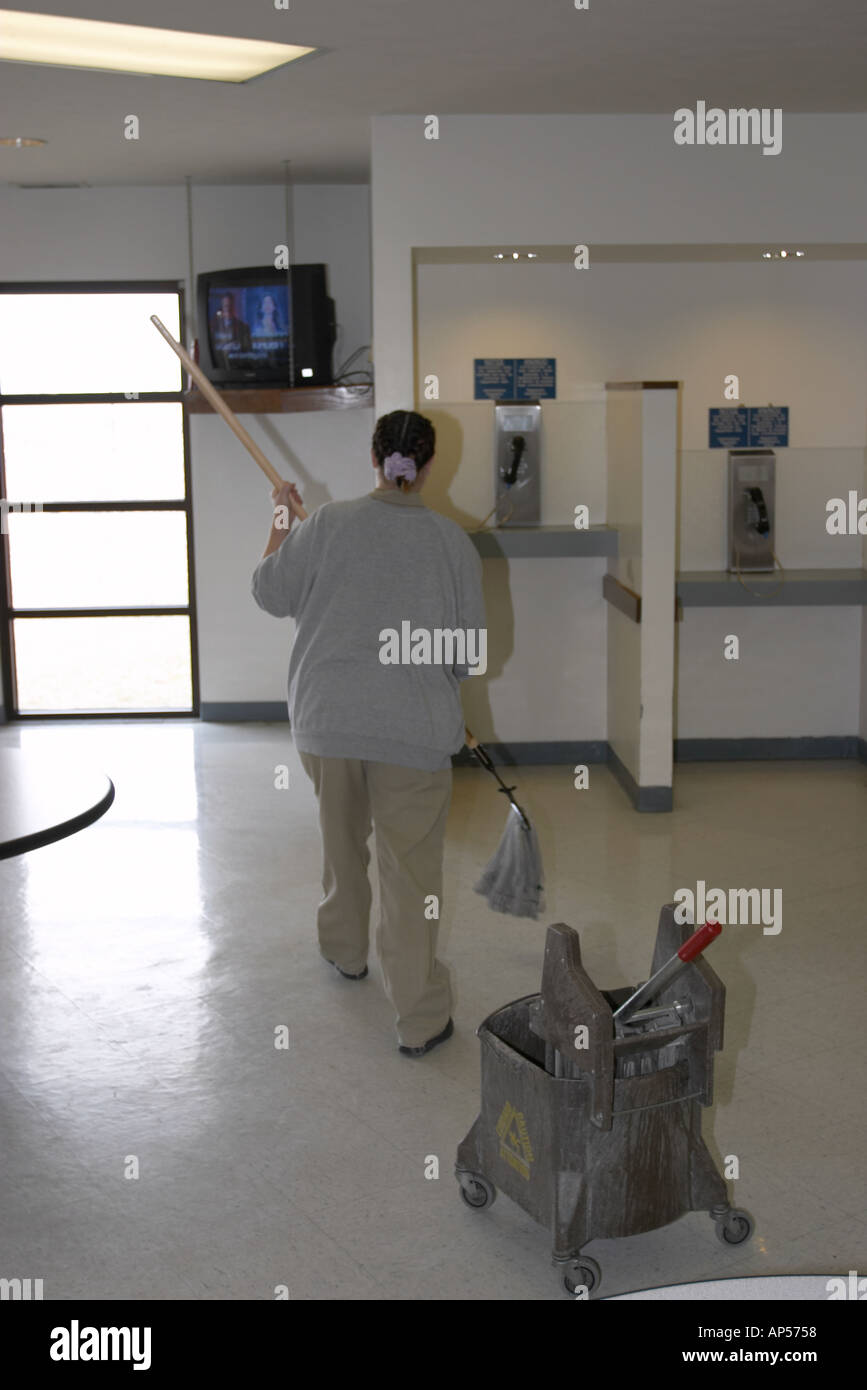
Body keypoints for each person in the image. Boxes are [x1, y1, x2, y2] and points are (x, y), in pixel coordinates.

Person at [251, 410, 486, 1056]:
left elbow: (269, 593)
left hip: (327, 722)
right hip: (412, 733)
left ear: (373, 459)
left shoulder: (324, 524)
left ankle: (345, 950)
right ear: (430, 465)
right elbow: (466, 656)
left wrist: (280, 517)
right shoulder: (451, 543)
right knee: (410, 876)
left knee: (340, 838)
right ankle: (418, 1018)